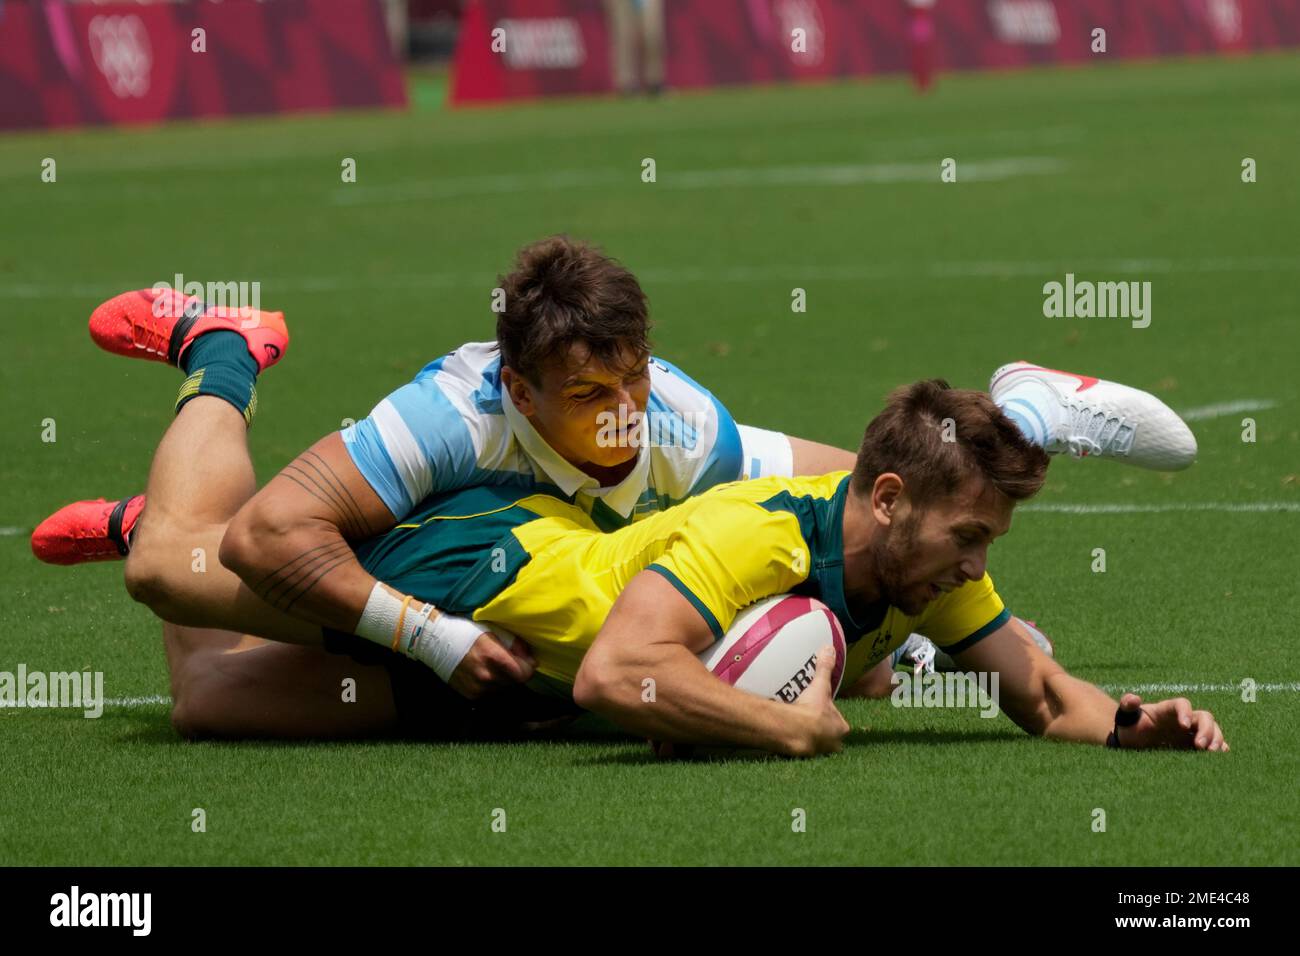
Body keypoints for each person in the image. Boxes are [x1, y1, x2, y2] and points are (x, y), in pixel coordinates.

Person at [32, 237, 1197, 737]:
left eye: (632, 379)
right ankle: (222, 353)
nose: (623, 413)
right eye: (590, 394)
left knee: (209, 708)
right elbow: (274, 535)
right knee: (174, 567)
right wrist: (429, 637)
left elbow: (865, 497)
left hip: (550, 601)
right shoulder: (449, 413)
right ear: (519, 391)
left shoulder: (671, 419)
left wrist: (990, 492)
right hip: (430, 555)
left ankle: (1026, 410)